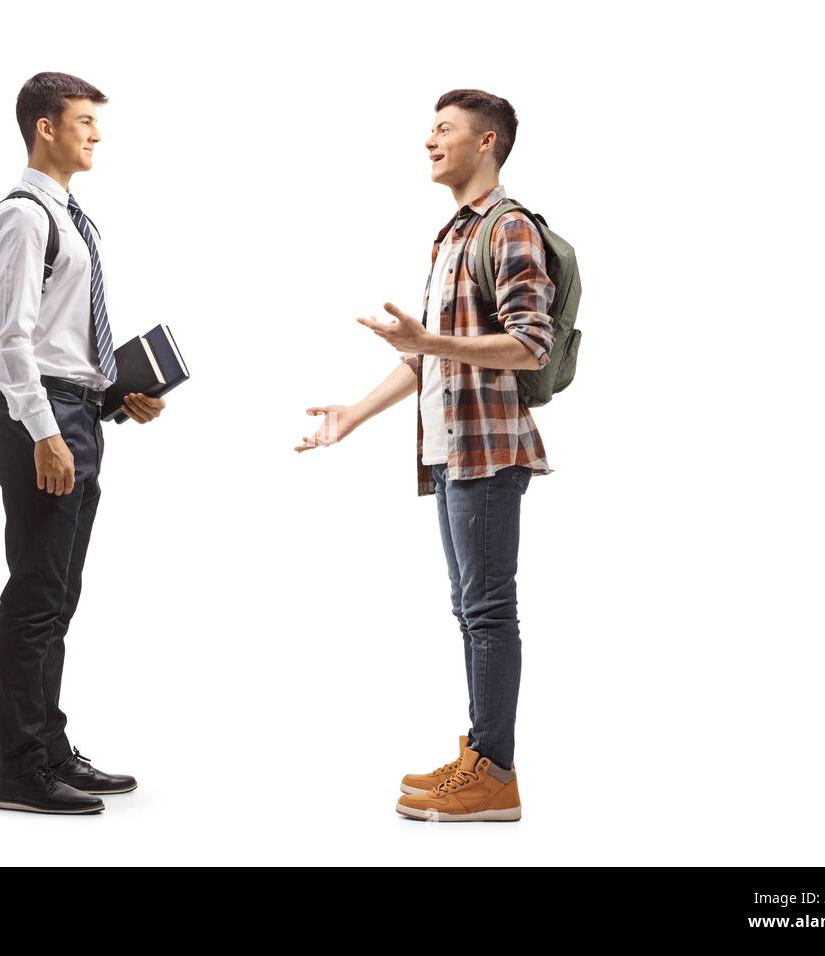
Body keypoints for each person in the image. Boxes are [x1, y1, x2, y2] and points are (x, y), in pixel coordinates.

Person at [296, 89, 556, 822]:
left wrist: (431, 343)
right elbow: (428, 360)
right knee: (471, 610)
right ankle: (481, 754)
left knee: (488, 610)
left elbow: (528, 342)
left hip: (488, 453)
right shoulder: (451, 236)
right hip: (448, 452)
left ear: (487, 142)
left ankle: (496, 774)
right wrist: (352, 413)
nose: (428, 141)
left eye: (443, 129)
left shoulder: (508, 230)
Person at [0, 72, 167, 814]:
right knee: (34, 598)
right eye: (84, 120)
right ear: (44, 128)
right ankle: (21, 772)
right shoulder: (25, 217)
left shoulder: (71, 216)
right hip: (45, 424)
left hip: (78, 415)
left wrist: (113, 392)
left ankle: (50, 748)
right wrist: (46, 431)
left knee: (58, 597)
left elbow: (59, 338)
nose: (96, 133)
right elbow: (9, 342)